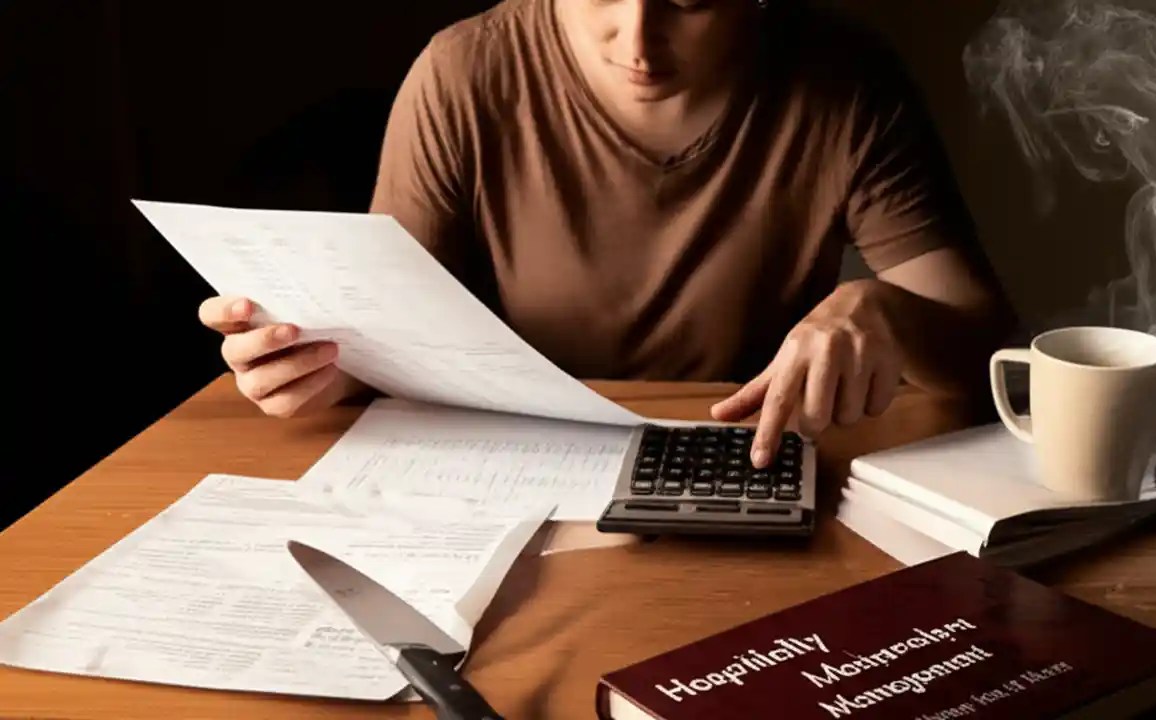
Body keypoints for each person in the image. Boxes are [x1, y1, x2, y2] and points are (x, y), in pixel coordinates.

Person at [198, 0, 1016, 468]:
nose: (638, 43)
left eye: (689, 0)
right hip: (508, 470)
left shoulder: (844, 82)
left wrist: (883, 309)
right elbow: (380, 337)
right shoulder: (464, 73)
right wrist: (312, 364)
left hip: (738, 463)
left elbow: (984, 352)